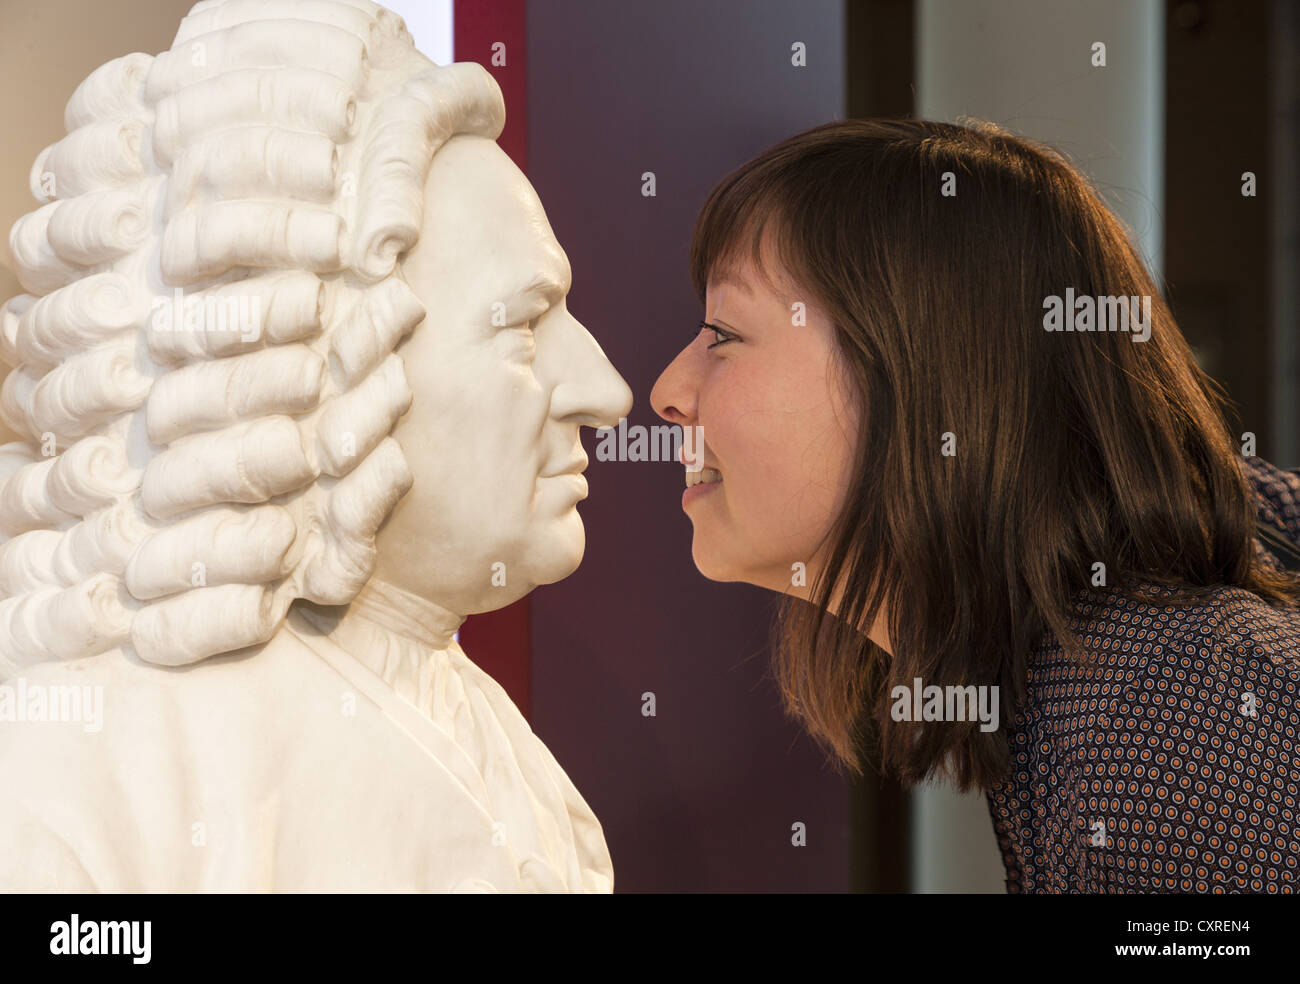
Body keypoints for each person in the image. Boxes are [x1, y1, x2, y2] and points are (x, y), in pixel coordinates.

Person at [0, 0, 629, 892]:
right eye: (525, 325)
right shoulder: (74, 786)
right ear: (325, 363)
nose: (607, 392)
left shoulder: (510, 760)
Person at [651, 117, 1300, 893]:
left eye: (722, 333)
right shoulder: (1104, 666)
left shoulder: (1166, 712)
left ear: (921, 376)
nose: (667, 392)